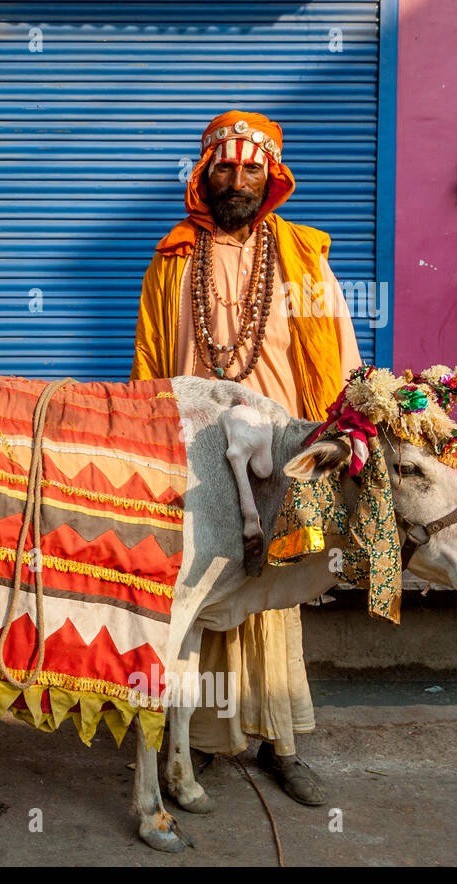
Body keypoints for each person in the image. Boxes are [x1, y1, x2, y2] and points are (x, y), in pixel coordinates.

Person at [131, 111, 362, 804]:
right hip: (201, 455)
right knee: (202, 589)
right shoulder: (171, 260)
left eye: (252, 168)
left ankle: (280, 744)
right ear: (205, 175)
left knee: (277, 590)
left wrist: (339, 436)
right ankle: (192, 745)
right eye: (225, 168)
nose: (238, 180)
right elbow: (147, 368)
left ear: (273, 177)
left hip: (284, 452)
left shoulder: (304, 257)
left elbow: (338, 360)